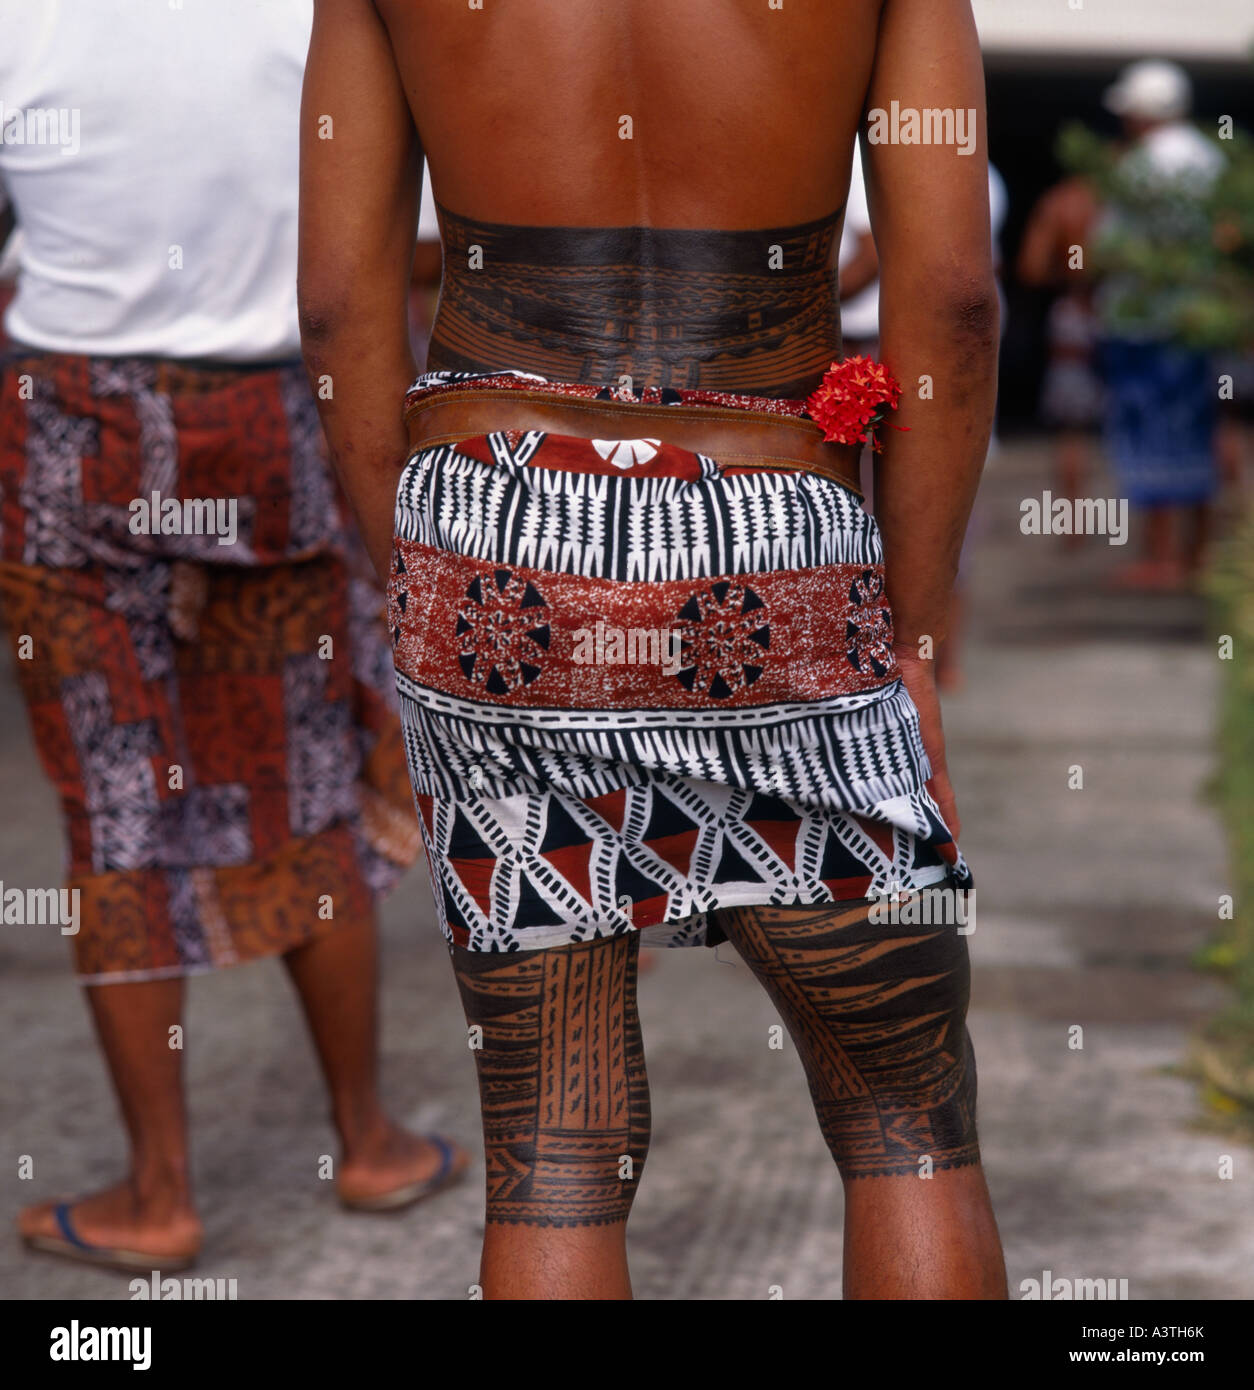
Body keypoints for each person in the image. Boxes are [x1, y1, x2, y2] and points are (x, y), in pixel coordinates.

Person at [300, 0, 1005, 1299]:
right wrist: (903, 636)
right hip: (772, 532)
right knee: (901, 1104)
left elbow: (342, 309)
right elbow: (953, 306)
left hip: (492, 540)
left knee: (548, 1138)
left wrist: (411, 586)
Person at [0, 0, 467, 1273]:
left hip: (74, 420)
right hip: (279, 409)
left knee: (114, 802)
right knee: (308, 783)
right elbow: (402, 251)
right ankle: (365, 1142)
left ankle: (158, 1194)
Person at [1095, 59, 1225, 588]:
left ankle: (1161, 557)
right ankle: (1199, 554)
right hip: (1199, 320)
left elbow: (1109, 247)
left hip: (1143, 322)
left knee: (1149, 434)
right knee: (1197, 432)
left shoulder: (1138, 165)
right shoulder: (1212, 160)